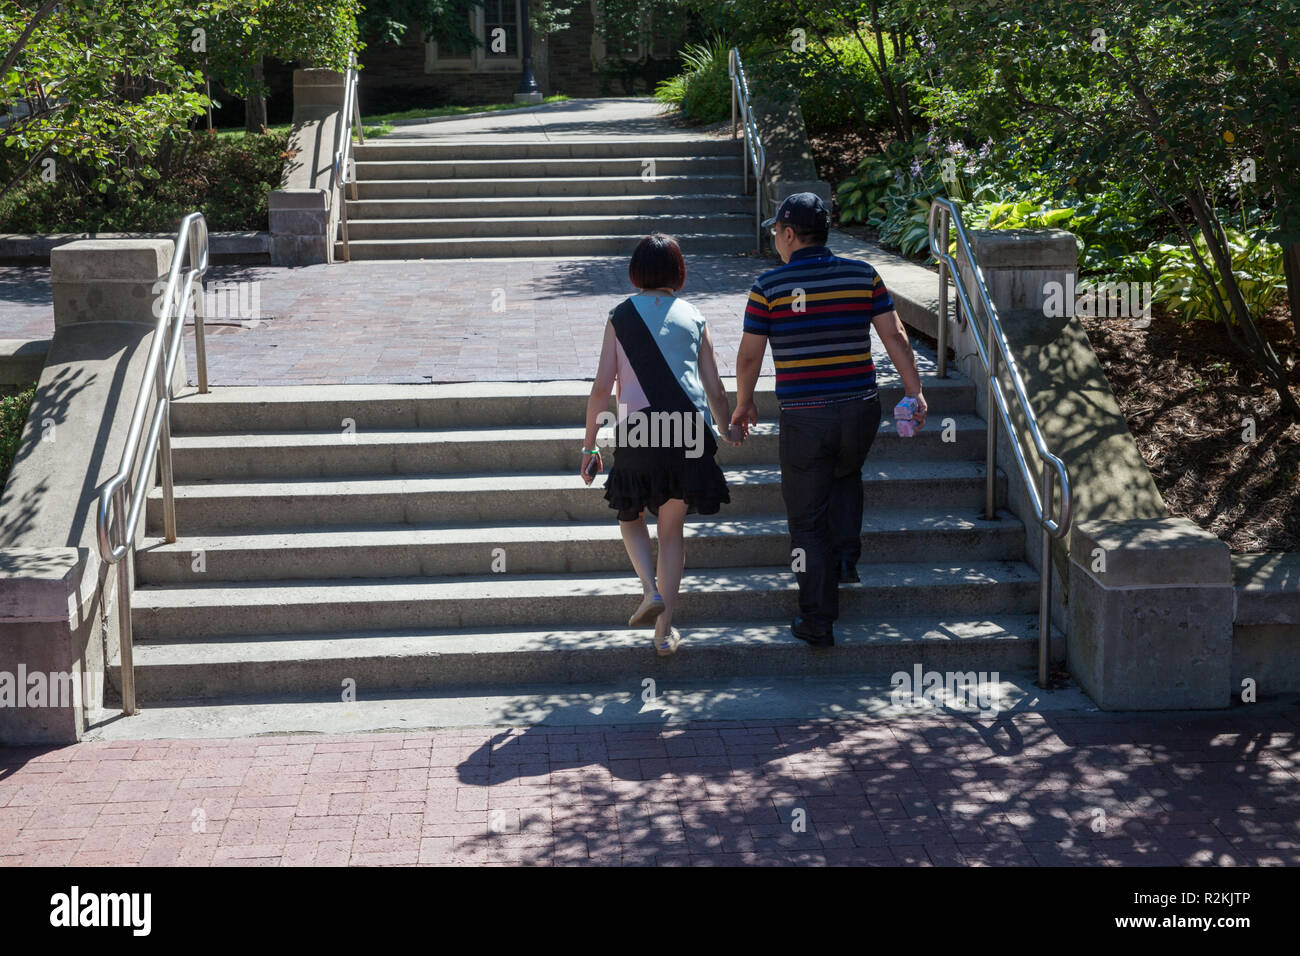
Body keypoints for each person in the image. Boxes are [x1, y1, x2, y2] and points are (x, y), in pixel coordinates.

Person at [731, 193, 928, 647]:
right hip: (859, 406)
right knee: (846, 474)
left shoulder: (769, 286)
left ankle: (817, 618)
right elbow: (895, 335)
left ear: (788, 234)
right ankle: (844, 561)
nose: (776, 242)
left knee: (805, 520)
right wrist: (915, 390)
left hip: (804, 415)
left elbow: (748, 356)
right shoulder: (862, 274)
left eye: (777, 234)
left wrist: (744, 402)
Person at [582, 233, 744, 656]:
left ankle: (649, 590)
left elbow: (602, 389)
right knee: (672, 532)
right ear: (678, 272)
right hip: (688, 431)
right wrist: (727, 429)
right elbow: (716, 390)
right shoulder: (695, 316)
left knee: (629, 515)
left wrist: (589, 446)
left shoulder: (620, 316)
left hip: (639, 431)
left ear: (636, 272)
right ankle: (664, 633)